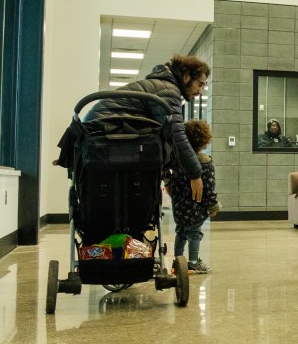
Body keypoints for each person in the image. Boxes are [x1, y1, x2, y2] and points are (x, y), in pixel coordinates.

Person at [85, 54, 209, 202]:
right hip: (103, 131)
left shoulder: (161, 86)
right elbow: (177, 137)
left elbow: (164, 141)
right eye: (200, 84)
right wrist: (195, 174)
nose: (200, 90)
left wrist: (167, 178)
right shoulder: (167, 90)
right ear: (186, 77)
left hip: (98, 131)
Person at [165, 119, 220, 273]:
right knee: (194, 234)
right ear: (204, 141)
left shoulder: (177, 161)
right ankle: (193, 262)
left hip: (179, 207)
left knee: (181, 232)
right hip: (195, 207)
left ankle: (177, 260)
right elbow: (208, 188)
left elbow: (172, 183)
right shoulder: (205, 162)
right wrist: (213, 206)